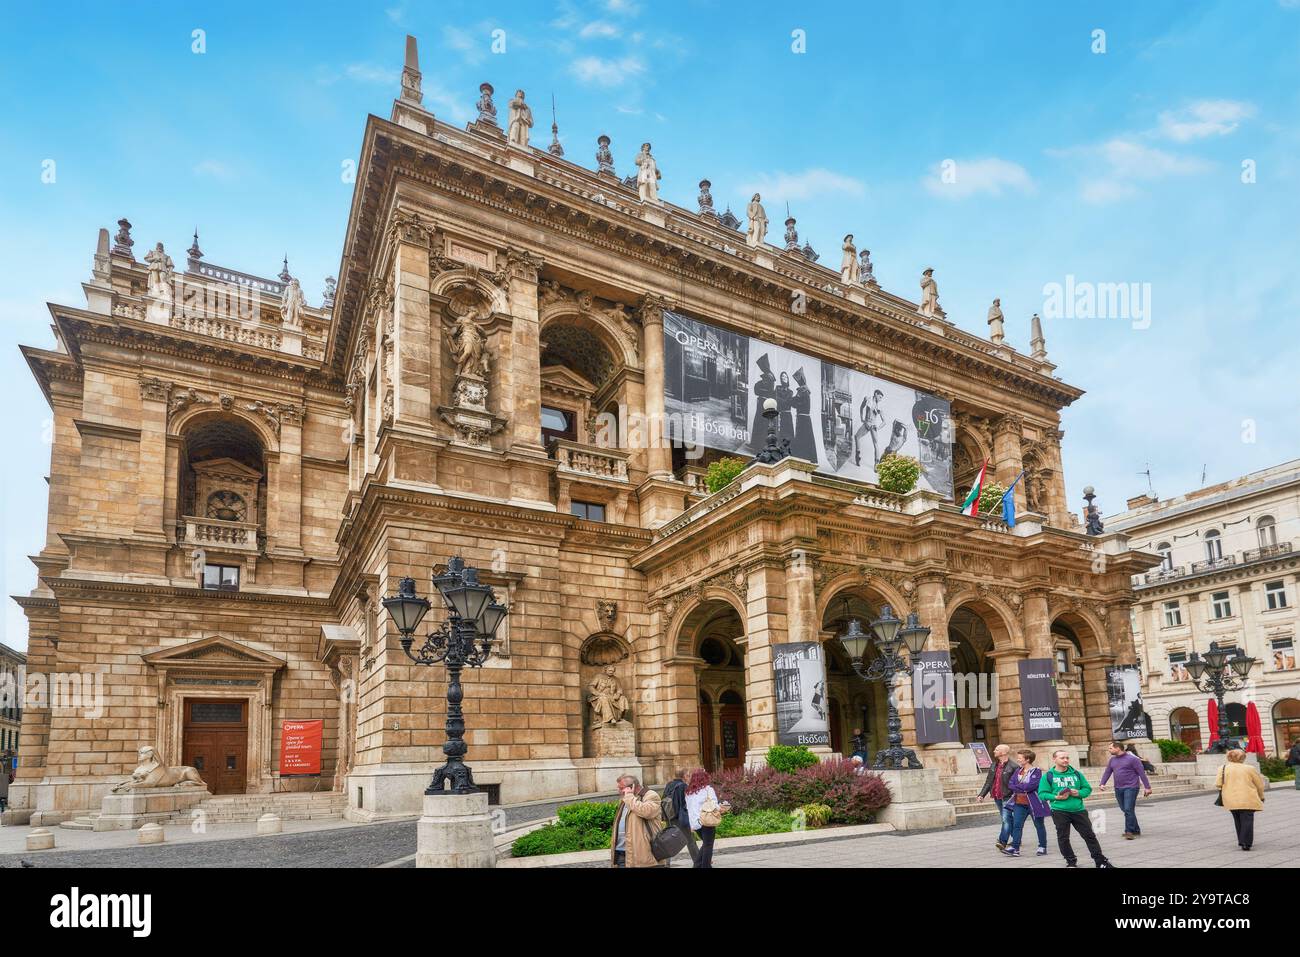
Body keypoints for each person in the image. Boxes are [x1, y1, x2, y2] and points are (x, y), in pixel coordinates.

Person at [1039, 749, 1114, 868]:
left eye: (1067, 758)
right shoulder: (1048, 776)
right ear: (1054, 759)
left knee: (1089, 836)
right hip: (1059, 811)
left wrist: (1078, 793)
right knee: (1063, 838)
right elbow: (1042, 794)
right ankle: (1071, 862)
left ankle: (1100, 862)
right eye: (1062, 758)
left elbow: (1087, 789)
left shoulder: (1076, 773)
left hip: (1079, 810)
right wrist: (1056, 797)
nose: (1065, 760)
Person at [1098, 740, 1152, 840]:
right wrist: (1102, 783)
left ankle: (1129, 831)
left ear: (1118, 748)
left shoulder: (1133, 759)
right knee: (1126, 810)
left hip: (1131, 787)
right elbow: (1107, 772)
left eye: (1110, 748)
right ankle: (1136, 829)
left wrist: (1147, 787)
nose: (1109, 750)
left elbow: (1141, 773)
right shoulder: (1112, 760)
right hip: (1118, 788)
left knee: (1128, 809)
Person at [1003, 748, 1051, 857]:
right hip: (1019, 803)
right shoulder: (1018, 770)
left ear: (1027, 759)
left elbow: (1031, 786)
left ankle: (1042, 847)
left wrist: (1018, 787)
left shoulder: (1036, 771)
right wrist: (1021, 788)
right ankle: (1015, 848)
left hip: (1034, 803)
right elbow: (1010, 784)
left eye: (1020, 758)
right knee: (1017, 825)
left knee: (1039, 825)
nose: (1018, 760)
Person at [1216, 748, 1267, 851]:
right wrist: (1261, 796)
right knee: (1247, 820)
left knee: (1237, 820)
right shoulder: (1249, 768)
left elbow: (1218, 784)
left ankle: (1241, 840)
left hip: (1230, 798)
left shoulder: (1223, 768)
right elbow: (1260, 785)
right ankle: (1246, 843)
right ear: (1242, 758)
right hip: (1247, 798)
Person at [609, 774, 663, 868]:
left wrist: (629, 796)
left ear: (632, 787)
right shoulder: (626, 798)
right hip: (621, 852)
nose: (619, 791)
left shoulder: (651, 795)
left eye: (621, 788)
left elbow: (647, 812)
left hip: (642, 854)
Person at [684, 768, 728, 869]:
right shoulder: (708, 789)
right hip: (707, 820)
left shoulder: (688, 791)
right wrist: (721, 808)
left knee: (706, 844)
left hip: (695, 822)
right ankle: (704, 866)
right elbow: (714, 805)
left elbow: (688, 808)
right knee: (708, 845)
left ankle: (698, 865)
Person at [976, 743, 1016, 850]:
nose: (994, 751)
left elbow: (1016, 784)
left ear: (1003, 753)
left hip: (1008, 797)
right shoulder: (994, 765)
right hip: (997, 796)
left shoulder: (1013, 766)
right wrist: (981, 795)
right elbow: (989, 782)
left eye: (996, 749)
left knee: (1006, 819)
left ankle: (1002, 841)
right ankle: (1017, 839)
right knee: (1007, 819)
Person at [660, 766, 698, 864]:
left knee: (669, 841)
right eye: (688, 775)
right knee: (690, 840)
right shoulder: (683, 786)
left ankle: (666, 863)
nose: (689, 777)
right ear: (684, 776)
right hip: (680, 818)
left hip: (669, 817)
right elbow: (686, 804)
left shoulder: (669, 785)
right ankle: (698, 861)